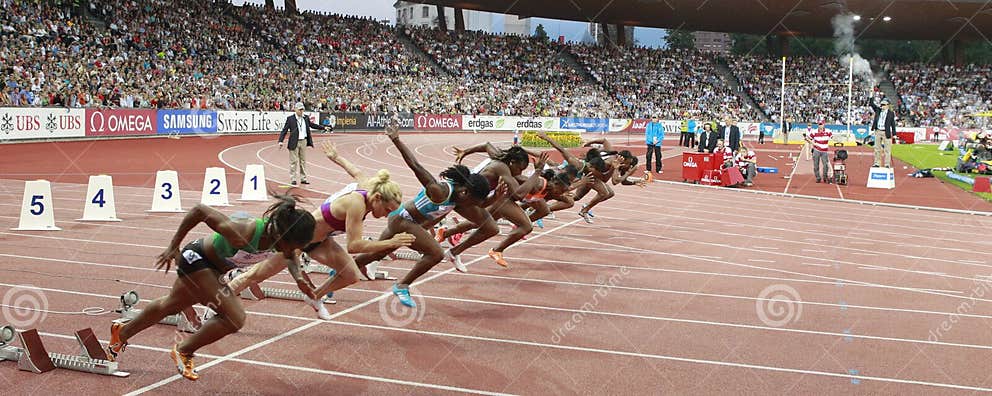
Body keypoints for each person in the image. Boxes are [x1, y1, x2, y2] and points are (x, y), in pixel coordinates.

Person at [107, 197, 316, 380]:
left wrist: (298, 278)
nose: (293, 250)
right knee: (235, 317)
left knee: (170, 305)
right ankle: (184, 350)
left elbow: (290, 256)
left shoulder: (281, 242)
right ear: (282, 234)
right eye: (292, 244)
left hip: (215, 271)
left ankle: (122, 332)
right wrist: (173, 246)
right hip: (197, 259)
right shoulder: (243, 231)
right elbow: (199, 210)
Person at [226, 142, 415, 320]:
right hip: (298, 239)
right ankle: (216, 305)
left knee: (351, 275)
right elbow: (354, 245)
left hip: (321, 240)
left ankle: (314, 296)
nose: (385, 215)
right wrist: (392, 242)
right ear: (377, 198)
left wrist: (336, 157)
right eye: (387, 210)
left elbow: (356, 171)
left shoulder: (371, 187)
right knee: (255, 275)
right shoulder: (356, 204)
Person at [353, 120, 495, 306]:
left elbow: (482, 211)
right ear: (466, 192)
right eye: (474, 202)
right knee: (436, 253)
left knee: (378, 253)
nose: (474, 206)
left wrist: (498, 197)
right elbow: (415, 165)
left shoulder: (460, 198)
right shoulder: (440, 191)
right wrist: (396, 139)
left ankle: (342, 270)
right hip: (403, 221)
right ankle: (402, 286)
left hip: (407, 223)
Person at [278, 102, 331, 185]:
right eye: (299, 110)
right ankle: (293, 178)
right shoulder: (290, 119)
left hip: (303, 141)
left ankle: (303, 178)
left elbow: (312, 125)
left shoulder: (305, 118)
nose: (301, 111)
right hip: (293, 142)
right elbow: (284, 130)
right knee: (294, 161)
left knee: (303, 161)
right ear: (295, 109)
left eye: (302, 109)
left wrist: (323, 127)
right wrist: (280, 141)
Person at [868, 97, 896, 167]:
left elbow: (893, 124)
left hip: (886, 132)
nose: (882, 106)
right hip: (878, 131)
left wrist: (894, 133)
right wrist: (871, 97)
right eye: (881, 105)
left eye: (884, 105)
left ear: (887, 105)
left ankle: (887, 164)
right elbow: (871, 104)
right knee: (877, 148)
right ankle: (877, 163)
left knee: (887, 149)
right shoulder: (878, 110)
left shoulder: (891, 113)